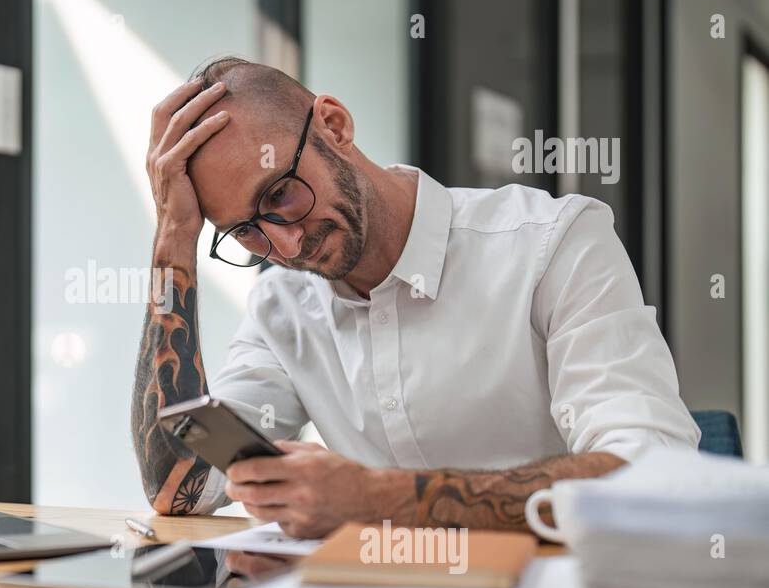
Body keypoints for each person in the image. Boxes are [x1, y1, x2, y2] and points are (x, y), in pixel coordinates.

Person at [130, 56, 698, 540]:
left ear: (334, 125)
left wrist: (379, 500)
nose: (287, 243)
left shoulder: (553, 244)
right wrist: (173, 237)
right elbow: (177, 486)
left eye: (281, 193)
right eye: (246, 232)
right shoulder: (282, 305)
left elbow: (651, 478)